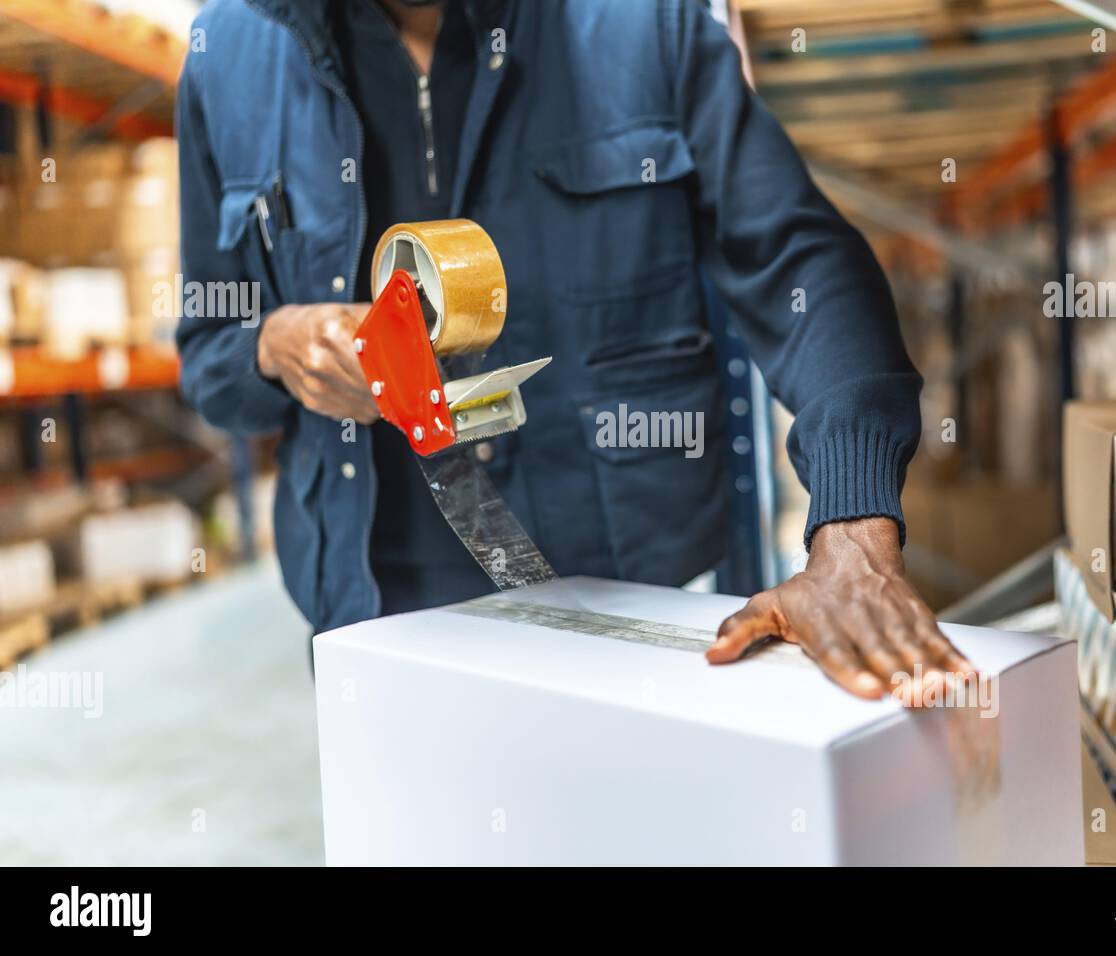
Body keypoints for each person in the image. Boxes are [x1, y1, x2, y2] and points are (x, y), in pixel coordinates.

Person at [176, 0, 974, 701]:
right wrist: (274, 346)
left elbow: (801, 260)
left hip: (636, 618)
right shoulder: (232, 55)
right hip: (379, 626)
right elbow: (210, 350)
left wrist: (854, 522)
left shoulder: (641, 23)